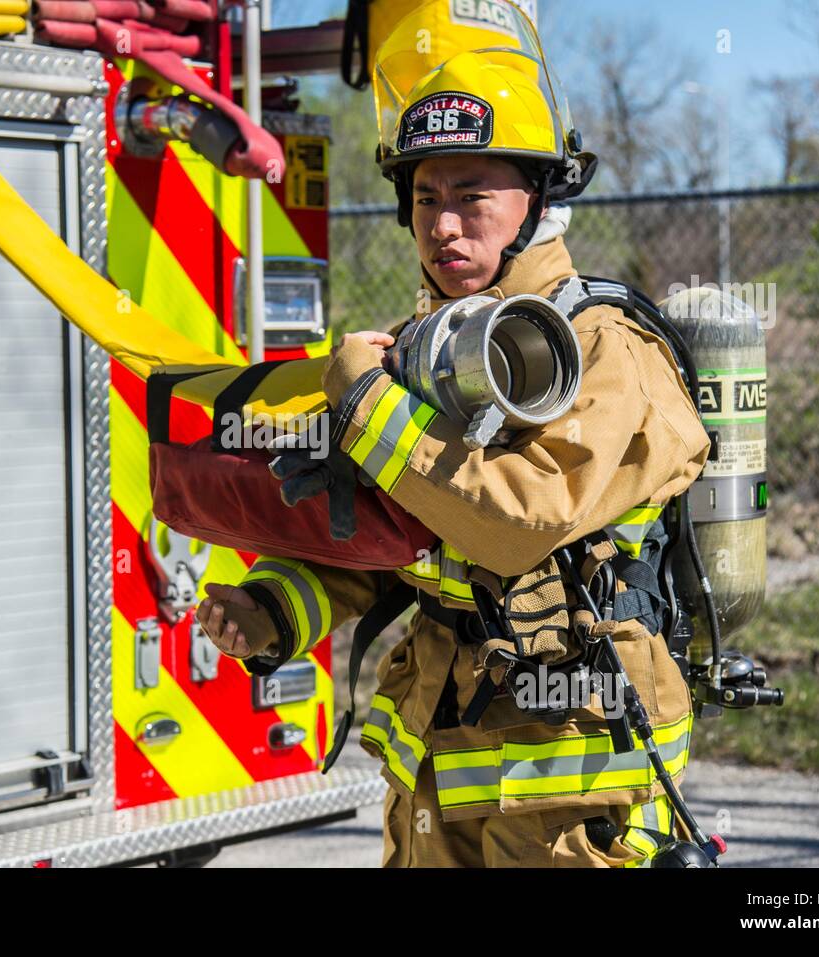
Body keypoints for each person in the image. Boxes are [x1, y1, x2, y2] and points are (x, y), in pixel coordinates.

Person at [195, 1, 711, 867]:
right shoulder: (418, 352)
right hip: (440, 770)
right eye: (426, 197)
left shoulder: (604, 350)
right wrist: (274, 606)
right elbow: (384, 530)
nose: (442, 225)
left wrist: (366, 405)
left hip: (571, 793)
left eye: (474, 197)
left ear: (539, 198)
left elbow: (515, 521)